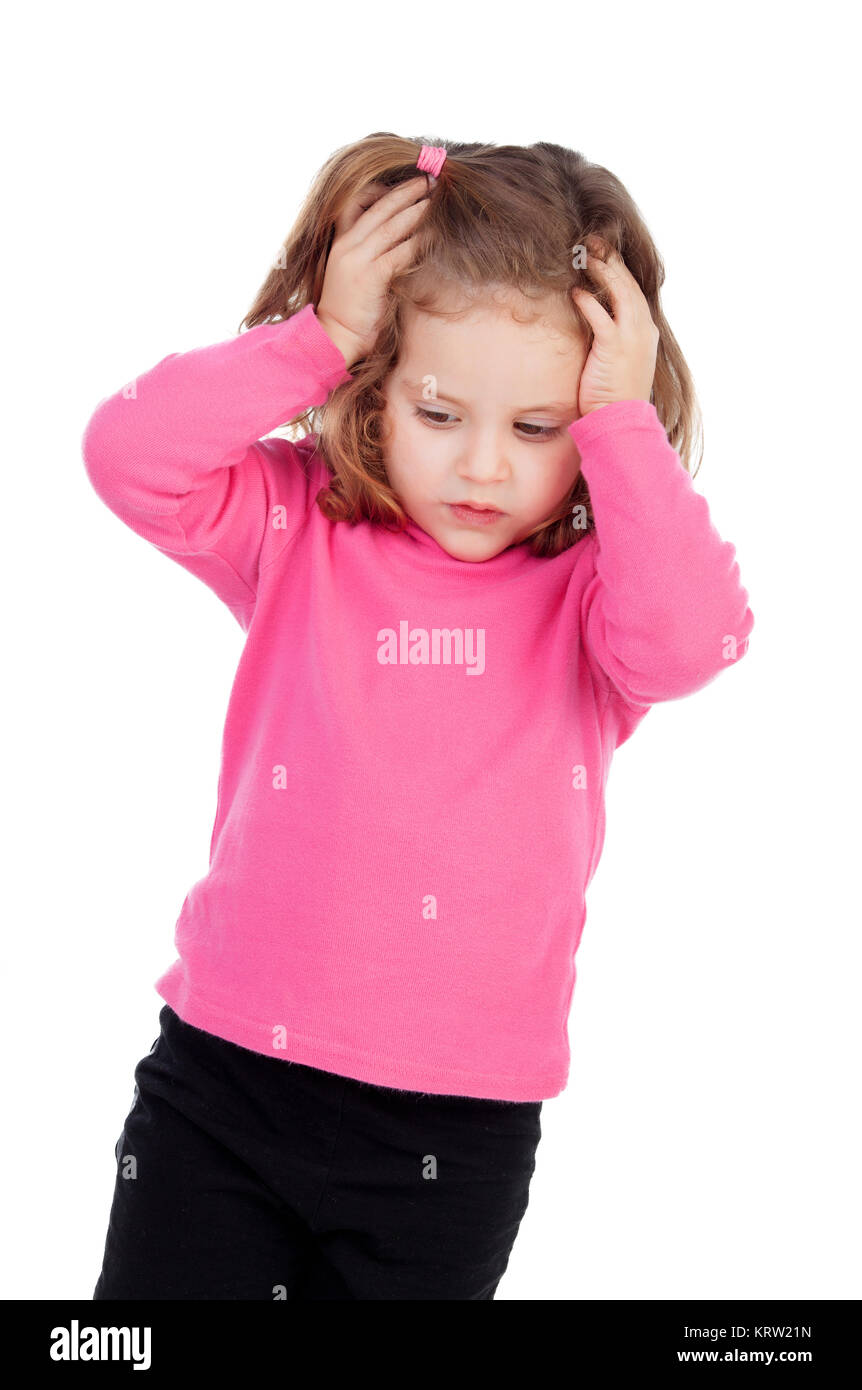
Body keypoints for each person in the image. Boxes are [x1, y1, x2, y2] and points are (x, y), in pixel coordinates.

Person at [82, 134, 754, 1300]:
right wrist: (318, 335)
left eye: (537, 427)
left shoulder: (597, 598)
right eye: (439, 411)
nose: (483, 466)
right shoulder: (299, 532)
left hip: (453, 1140)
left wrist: (621, 428)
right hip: (223, 1089)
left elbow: (697, 641)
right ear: (377, 384)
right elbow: (128, 454)